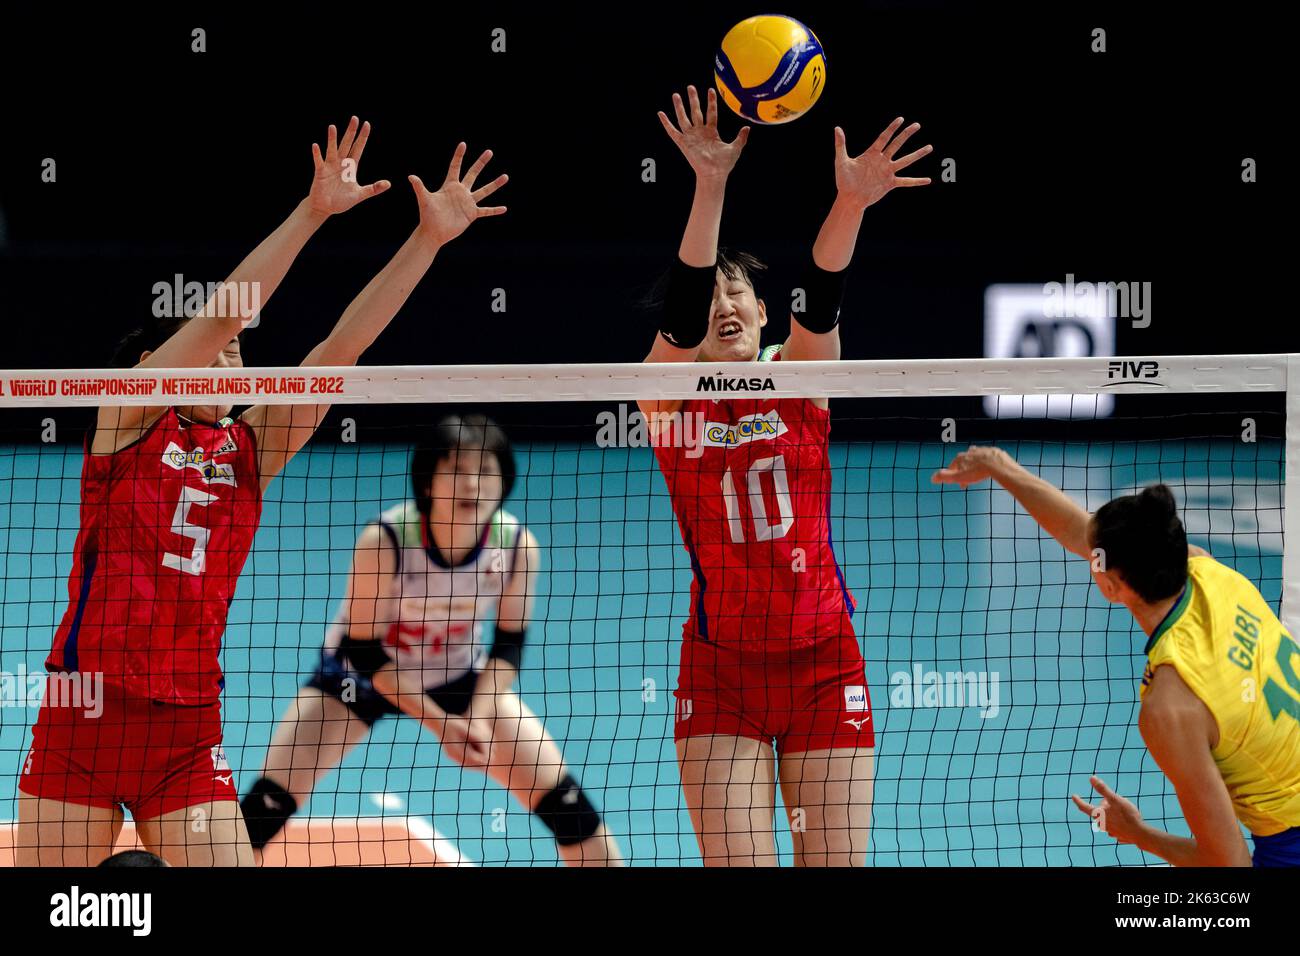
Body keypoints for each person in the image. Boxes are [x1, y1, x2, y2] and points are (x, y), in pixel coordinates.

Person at [17, 117, 508, 866]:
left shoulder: (249, 452)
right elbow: (224, 310)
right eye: (219, 351)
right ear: (158, 361)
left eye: (243, 354)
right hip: (83, 715)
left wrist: (426, 241)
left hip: (185, 731)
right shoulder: (124, 424)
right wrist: (311, 213)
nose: (234, 359)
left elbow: (340, 350)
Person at [642, 86, 932, 865]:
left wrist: (852, 203)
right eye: (709, 301)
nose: (721, 306)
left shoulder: (801, 379)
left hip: (823, 661)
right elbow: (676, 316)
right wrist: (709, 186)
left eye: (736, 294)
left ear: (763, 313)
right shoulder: (664, 401)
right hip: (722, 670)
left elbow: (824, 303)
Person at [240, 415, 623, 865]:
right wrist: (441, 723)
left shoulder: (516, 546)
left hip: (460, 679)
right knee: (261, 811)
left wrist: (476, 716)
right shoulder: (385, 541)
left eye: (485, 472)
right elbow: (362, 650)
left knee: (570, 809)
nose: (471, 486)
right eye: (456, 470)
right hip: (356, 681)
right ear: (427, 482)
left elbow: (508, 645)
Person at [932, 445, 1300, 866]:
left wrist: (1137, 834)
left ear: (1108, 587)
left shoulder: (1170, 706)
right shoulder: (1206, 570)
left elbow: (1229, 863)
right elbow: (1080, 530)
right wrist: (1003, 469)